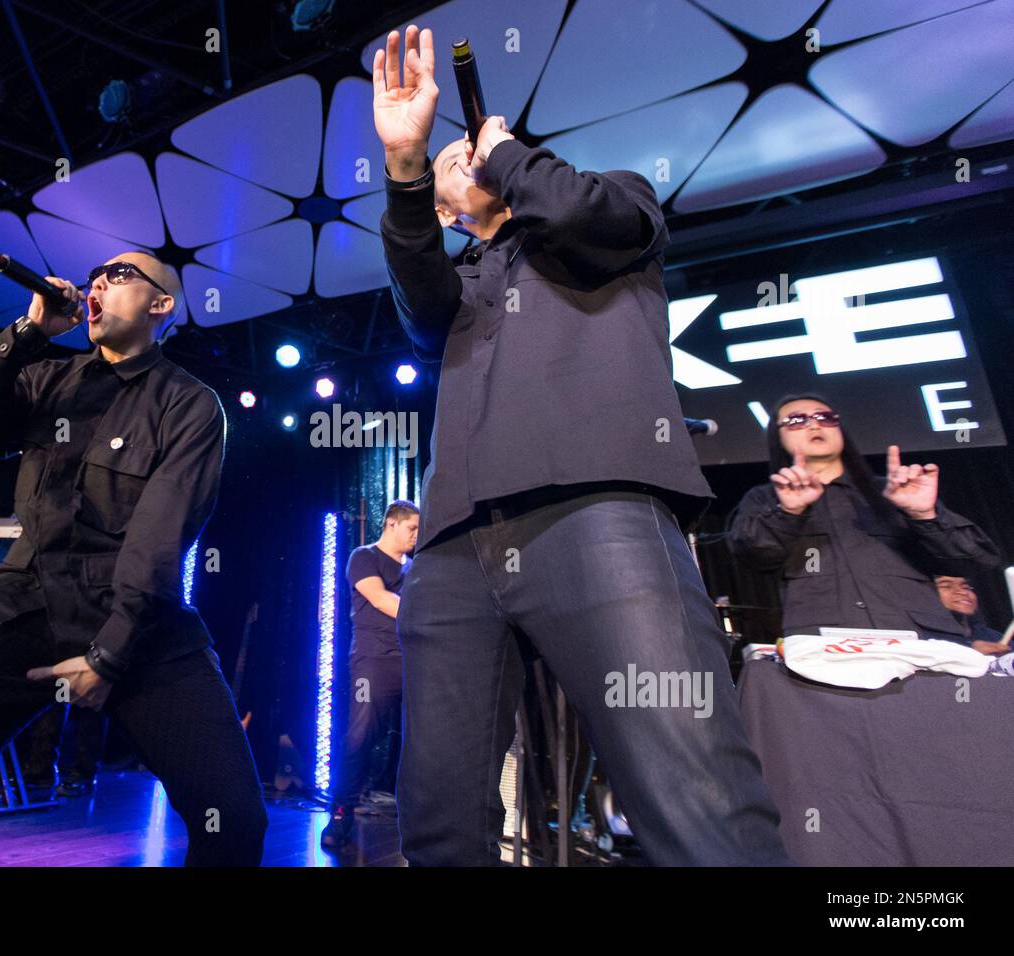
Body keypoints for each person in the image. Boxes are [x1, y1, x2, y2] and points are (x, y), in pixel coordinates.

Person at [372, 25, 790, 866]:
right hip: (453, 544)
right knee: (440, 821)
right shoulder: (459, 282)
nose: (465, 158)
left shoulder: (604, 212)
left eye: (468, 151)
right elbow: (418, 301)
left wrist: (510, 155)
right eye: (456, 169)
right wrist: (409, 169)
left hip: (596, 509)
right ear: (452, 213)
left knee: (695, 794)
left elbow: (588, 210)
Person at [0, 252, 267, 866]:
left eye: (117, 276)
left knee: (234, 820)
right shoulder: (47, 379)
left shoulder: (190, 404)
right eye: (93, 279)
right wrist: (30, 332)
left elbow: (159, 538)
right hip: (19, 603)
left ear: (161, 304)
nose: (96, 286)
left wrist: (109, 654)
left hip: (133, 617)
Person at [728, 394, 1001, 642]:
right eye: (797, 420)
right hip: (827, 647)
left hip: (923, 642)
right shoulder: (766, 499)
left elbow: (977, 559)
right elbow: (753, 555)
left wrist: (924, 514)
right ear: (779, 438)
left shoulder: (896, 491)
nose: (814, 425)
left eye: (825, 417)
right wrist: (788, 513)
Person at [321, 500, 418, 849]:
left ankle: (422, 822)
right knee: (361, 736)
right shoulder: (364, 557)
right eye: (412, 528)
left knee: (422, 741)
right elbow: (379, 599)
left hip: (415, 659)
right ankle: (341, 814)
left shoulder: (416, 568)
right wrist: (426, 615)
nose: (416, 536)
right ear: (392, 523)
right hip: (374, 661)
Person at [934, 575, 1010, 654]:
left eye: (966, 587)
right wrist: (971, 654)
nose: (963, 592)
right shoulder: (923, 637)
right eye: (947, 586)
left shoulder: (991, 636)